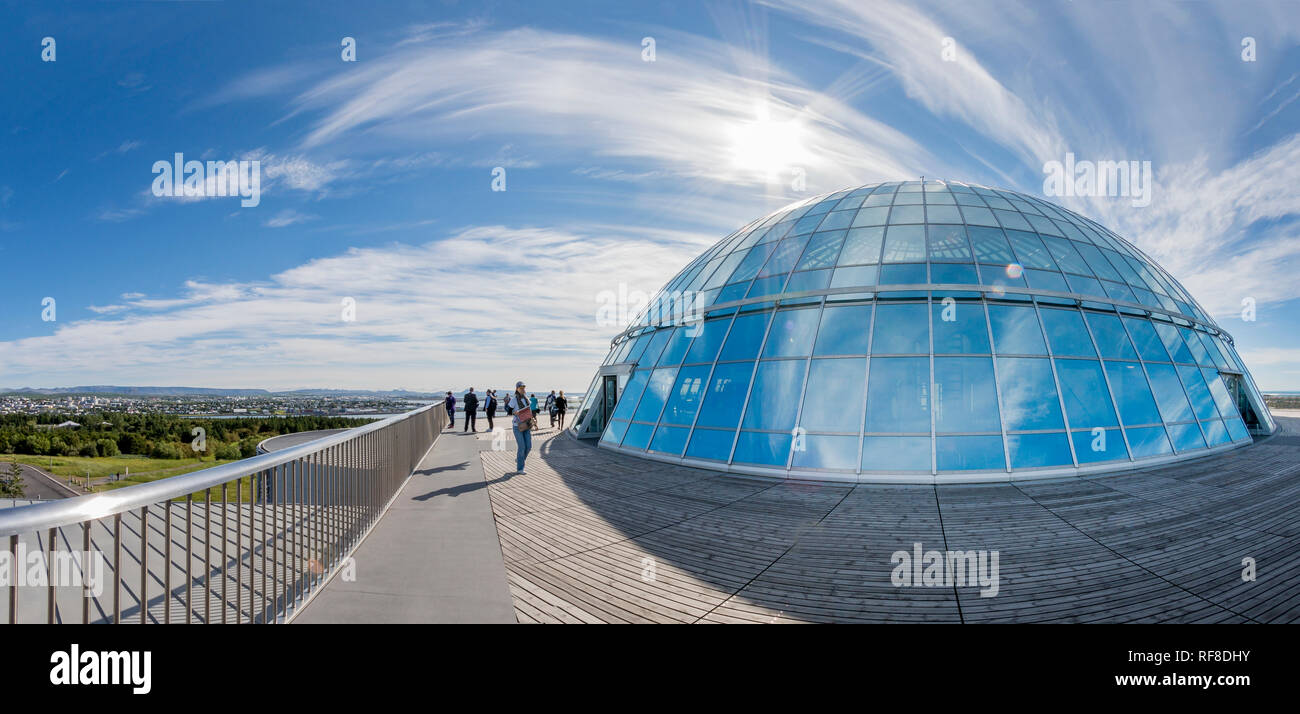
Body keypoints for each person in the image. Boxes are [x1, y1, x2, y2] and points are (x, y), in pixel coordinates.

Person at [508, 381, 533, 473]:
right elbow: (508, 411)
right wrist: (515, 412)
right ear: (517, 389)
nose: (523, 389)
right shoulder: (514, 399)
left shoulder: (526, 398)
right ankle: (520, 468)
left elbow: (529, 410)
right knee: (522, 447)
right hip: (517, 426)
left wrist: (533, 418)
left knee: (529, 447)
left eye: (523, 388)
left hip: (527, 424)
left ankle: (519, 460)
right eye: (521, 388)